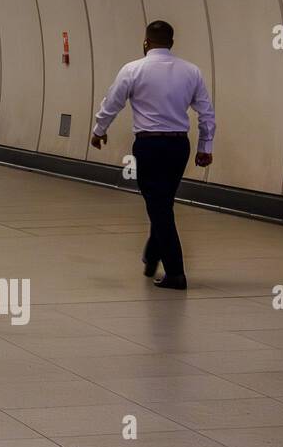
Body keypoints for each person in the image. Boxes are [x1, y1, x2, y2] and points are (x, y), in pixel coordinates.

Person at [91, 20, 215, 290]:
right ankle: (152, 253)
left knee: (158, 206)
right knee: (163, 203)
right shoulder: (192, 71)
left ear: (146, 42)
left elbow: (112, 102)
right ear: (171, 43)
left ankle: (176, 272)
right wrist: (205, 147)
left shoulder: (133, 69)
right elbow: (206, 113)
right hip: (179, 146)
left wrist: (99, 130)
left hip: (148, 146)